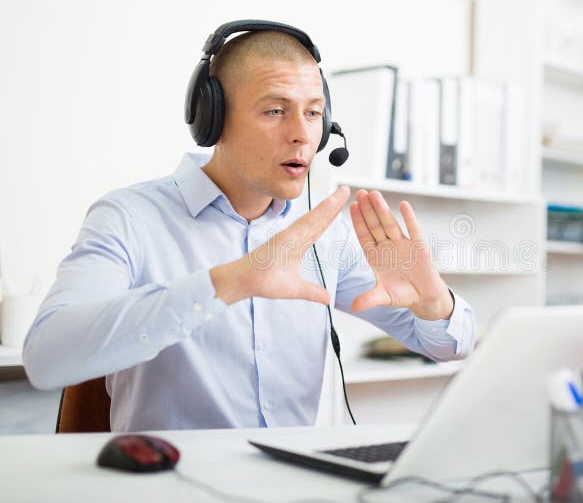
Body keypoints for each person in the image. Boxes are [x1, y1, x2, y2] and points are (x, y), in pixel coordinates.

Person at [22, 22, 476, 432]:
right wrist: (229, 282)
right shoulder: (130, 217)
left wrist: (433, 303)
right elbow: (46, 358)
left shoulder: (323, 234)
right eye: (276, 111)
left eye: (314, 113)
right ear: (211, 118)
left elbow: (450, 346)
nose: (302, 134)